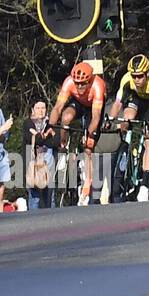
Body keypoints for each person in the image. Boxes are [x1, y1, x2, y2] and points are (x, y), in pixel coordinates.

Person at [47, 61, 107, 204]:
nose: (79, 86)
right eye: (77, 83)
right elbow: (57, 107)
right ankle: (63, 146)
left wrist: (89, 133)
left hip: (94, 107)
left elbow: (96, 116)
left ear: (90, 80)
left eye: (83, 83)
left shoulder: (98, 85)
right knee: (65, 118)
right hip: (78, 103)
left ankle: (87, 184)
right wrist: (49, 126)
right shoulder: (69, 82)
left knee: (88, 146)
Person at [107, 53, 149, 201]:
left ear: (147, 73)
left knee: (148, 141)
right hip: (136, 98)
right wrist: (110, 121)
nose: (137, 79)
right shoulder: (127, 80)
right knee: (127, 118)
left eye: (140, 76)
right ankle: (125, 147)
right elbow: (118, 103)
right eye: (134, 76)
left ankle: (144, 184)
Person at [25, 100, 57, 209]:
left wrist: (40, 136)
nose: (41, 111)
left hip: (49, 162)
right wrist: (47, 135)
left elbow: (55, 142)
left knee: (50, 195)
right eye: (38, 108)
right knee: (34, 195)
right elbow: (30, 139)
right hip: (33, 164)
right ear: (33, 109)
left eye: (43, 108)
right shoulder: (27, 123)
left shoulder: (51, 124)